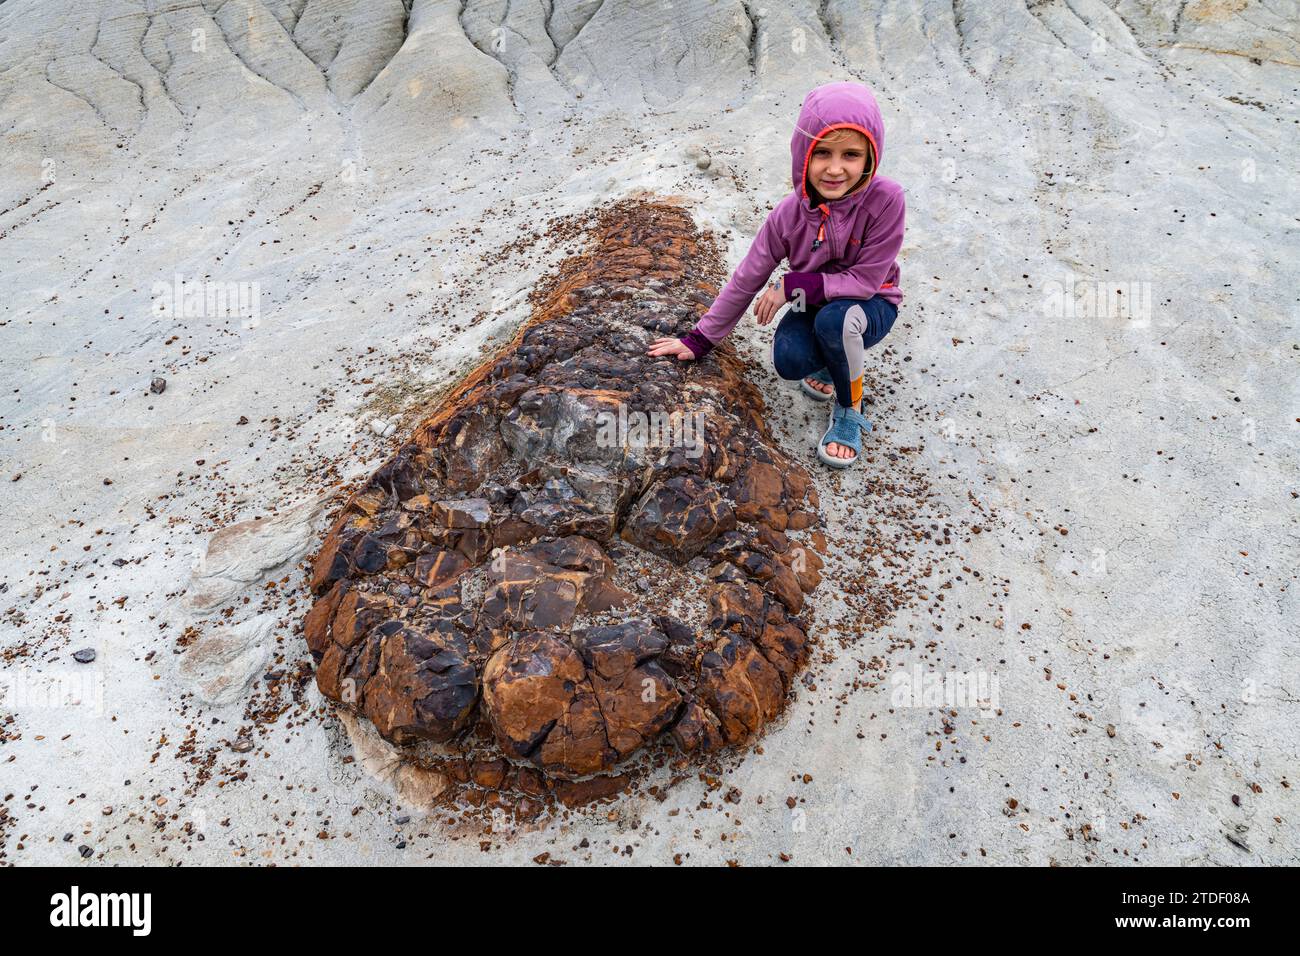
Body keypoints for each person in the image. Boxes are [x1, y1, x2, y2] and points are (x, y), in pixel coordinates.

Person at [647, 81, 905, 469]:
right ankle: (829, 365)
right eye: (822, 153)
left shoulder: (887, 200)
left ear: (870, 156)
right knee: (789, 359)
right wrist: (701, 339)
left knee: (839, 321)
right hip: (817, 303)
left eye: (851, 154)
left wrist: (792, 285)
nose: (835, 168)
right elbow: (747, 277)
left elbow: (865, 281)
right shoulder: (788, 216)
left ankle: (850, 409)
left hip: (871, 304)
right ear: (803, 154)